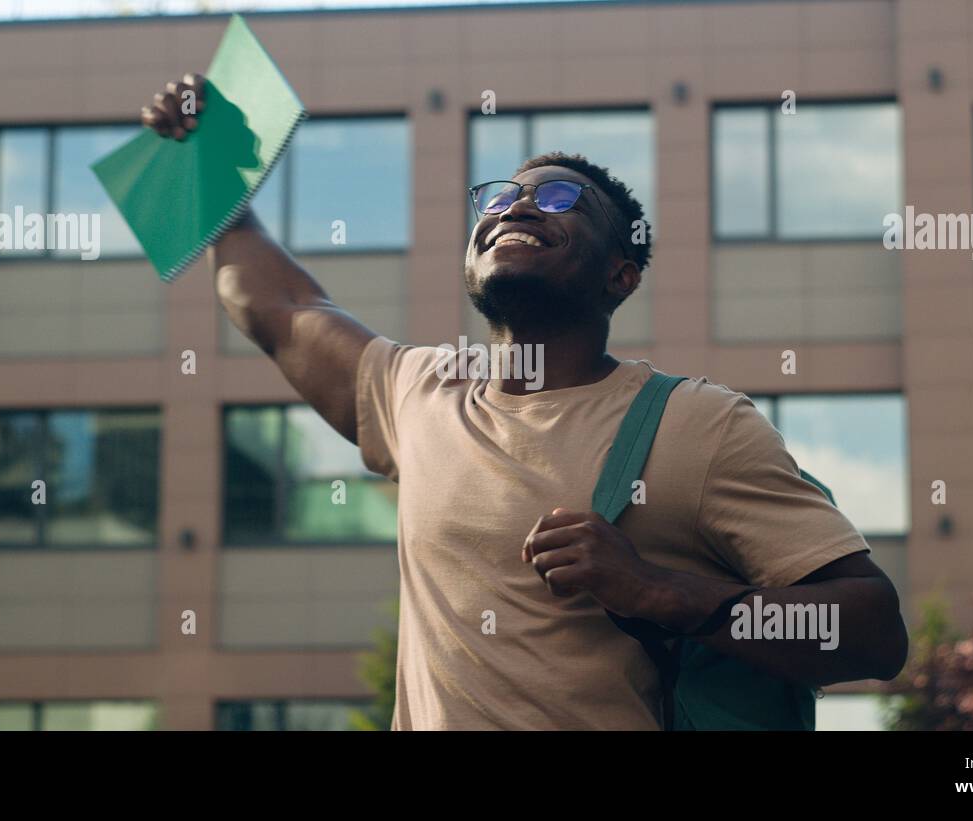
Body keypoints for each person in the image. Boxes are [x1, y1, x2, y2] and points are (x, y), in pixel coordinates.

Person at [143, 74, 909, 730]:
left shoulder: (698, 423)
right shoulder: (418, 392)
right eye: (499, 197)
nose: (515, 207)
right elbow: (281, 310)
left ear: (620, 274)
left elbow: (874, 631)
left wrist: (661, 590)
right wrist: (211, 173)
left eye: (558, 197)